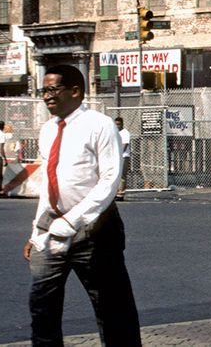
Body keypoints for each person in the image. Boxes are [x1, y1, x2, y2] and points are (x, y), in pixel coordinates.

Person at [25, 64, 140, 347]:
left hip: (94, 230)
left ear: (75, 91)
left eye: (53, 90)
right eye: (44, 90)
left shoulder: (99, 125)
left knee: (112, 308)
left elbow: (109, 181)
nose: (46, 96)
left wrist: (72, 221)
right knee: (42, 307)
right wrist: (35, 231)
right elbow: (49, 183)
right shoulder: (48, 130)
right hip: (50, 229)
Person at [113, 117, 131, 200]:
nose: (117, 126)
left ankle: (120, 194)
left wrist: (118, 154)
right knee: (115, 175)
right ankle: (115, 193)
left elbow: (125, 145)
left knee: (122, 176)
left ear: (122, 124)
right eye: (116, 124)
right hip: (115, 156)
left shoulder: (125, 133)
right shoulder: (114, 132)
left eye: (119, 124)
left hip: (123, 156)